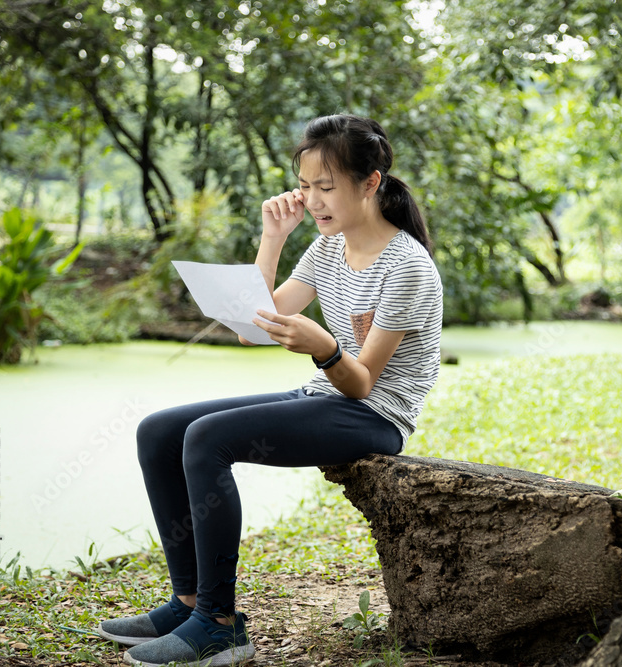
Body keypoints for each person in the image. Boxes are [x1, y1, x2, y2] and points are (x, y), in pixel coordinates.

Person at [95, 114, 443, 667]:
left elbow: (361, 382)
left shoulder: (407, 266)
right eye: (305, 188)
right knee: (158, 431)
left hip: (374, 415)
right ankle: (187, 601)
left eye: (325, 187)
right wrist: (273, 237)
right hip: (322, 396)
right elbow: (250, 329)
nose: (312, 201)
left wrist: (324, 347)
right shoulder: (328, 248)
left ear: (371, 182)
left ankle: (218, 623)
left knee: (207, 439)